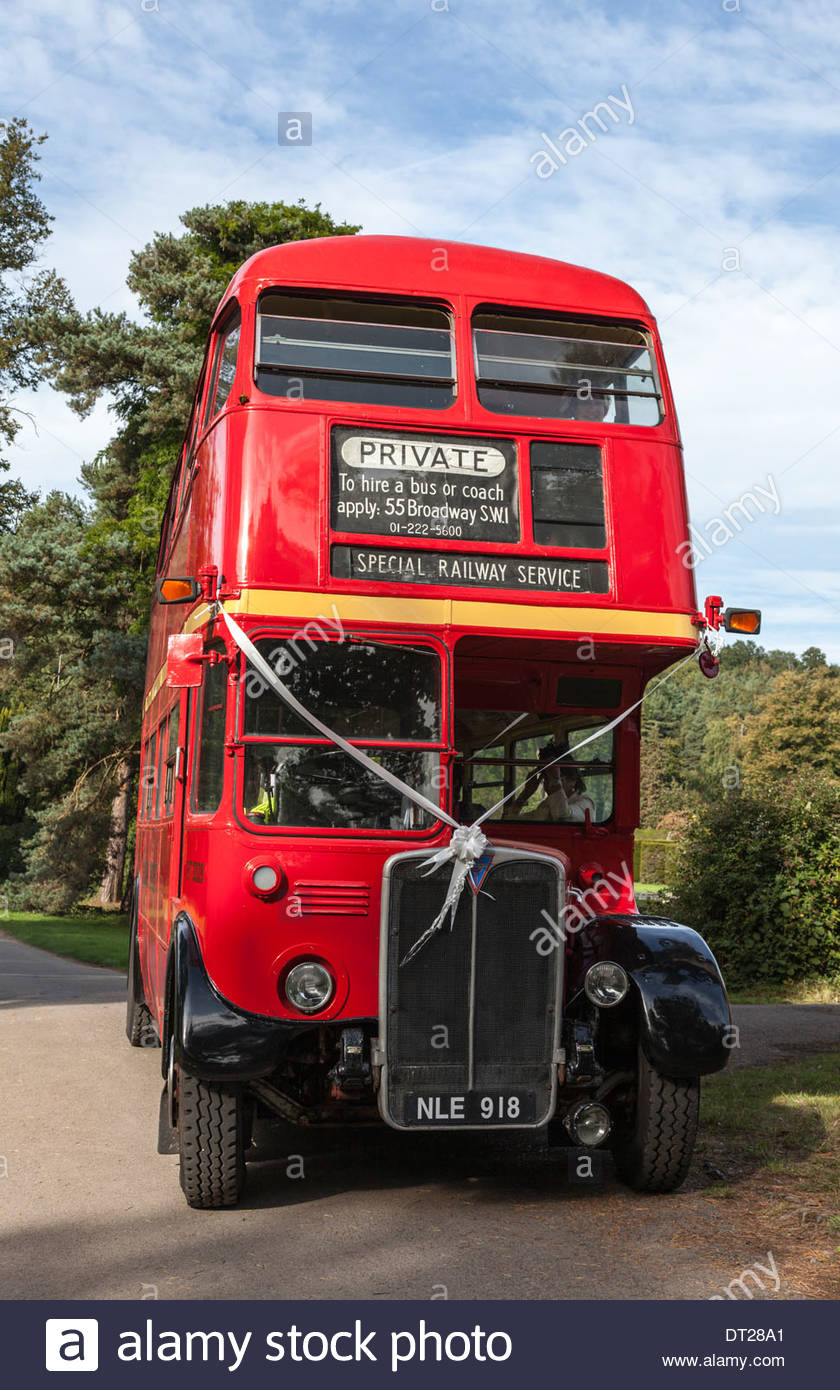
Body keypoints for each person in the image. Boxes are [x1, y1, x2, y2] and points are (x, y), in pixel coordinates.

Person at [511, 743, 596, 823]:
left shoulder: (585, 803)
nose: (548, 783)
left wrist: (555, 782)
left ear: (572, 780)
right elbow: (510, 823)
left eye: (558, 777)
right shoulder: (545, 806)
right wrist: (525, 795)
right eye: (546, 778)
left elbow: (562, 817)